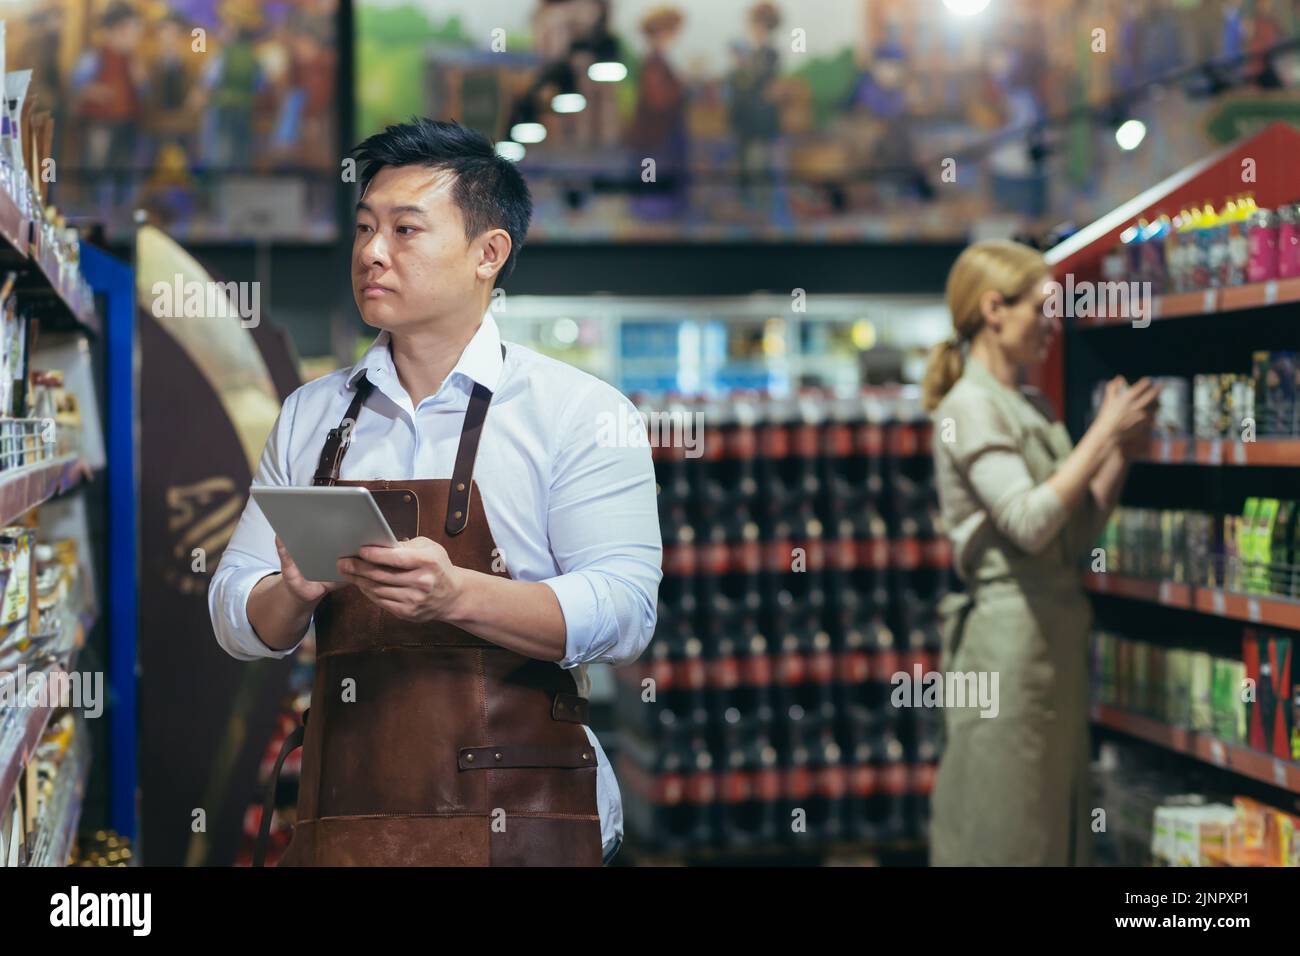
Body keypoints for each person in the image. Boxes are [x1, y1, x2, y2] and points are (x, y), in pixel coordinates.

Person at [209, 118, 662, 866]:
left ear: (489, 253)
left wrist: (457, 596)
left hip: (529, 823)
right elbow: (233, 611)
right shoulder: (313, 416)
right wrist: (291, 594)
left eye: (405, 230)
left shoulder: (579, 412)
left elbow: (623, 610)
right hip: (352, 816)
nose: (371, 252)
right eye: (363, 228)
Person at [922, 240, 1159, 866]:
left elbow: (1070, 537)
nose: (1055, 324)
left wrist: (1119, 457)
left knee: (1057, 823)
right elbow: (1027, 522)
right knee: (1008, 825)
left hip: (1051, 640)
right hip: (1006, 648)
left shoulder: (1030, 406)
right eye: (1042, 309)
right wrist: (1102, 433)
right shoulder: (968, 409)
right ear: (994, 309)